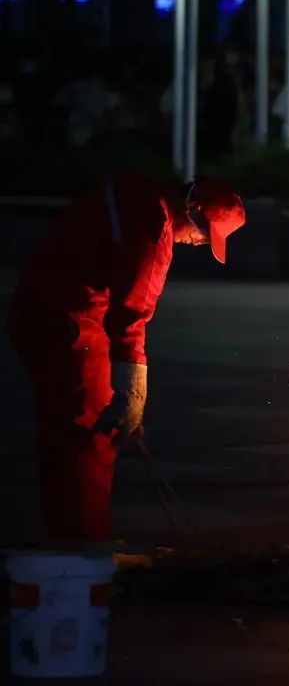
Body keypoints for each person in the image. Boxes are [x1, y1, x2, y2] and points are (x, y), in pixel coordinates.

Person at [6, 174, 245, 544]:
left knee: (64, 437)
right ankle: (83, 547)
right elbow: (134, 310)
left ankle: (70, 537)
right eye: (203, 234)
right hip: (68, 320)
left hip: (42, 311)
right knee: (90, 437)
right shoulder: (156, 226)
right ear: (193, 209)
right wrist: (133, 388)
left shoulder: (141, 191)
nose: (197, 242)